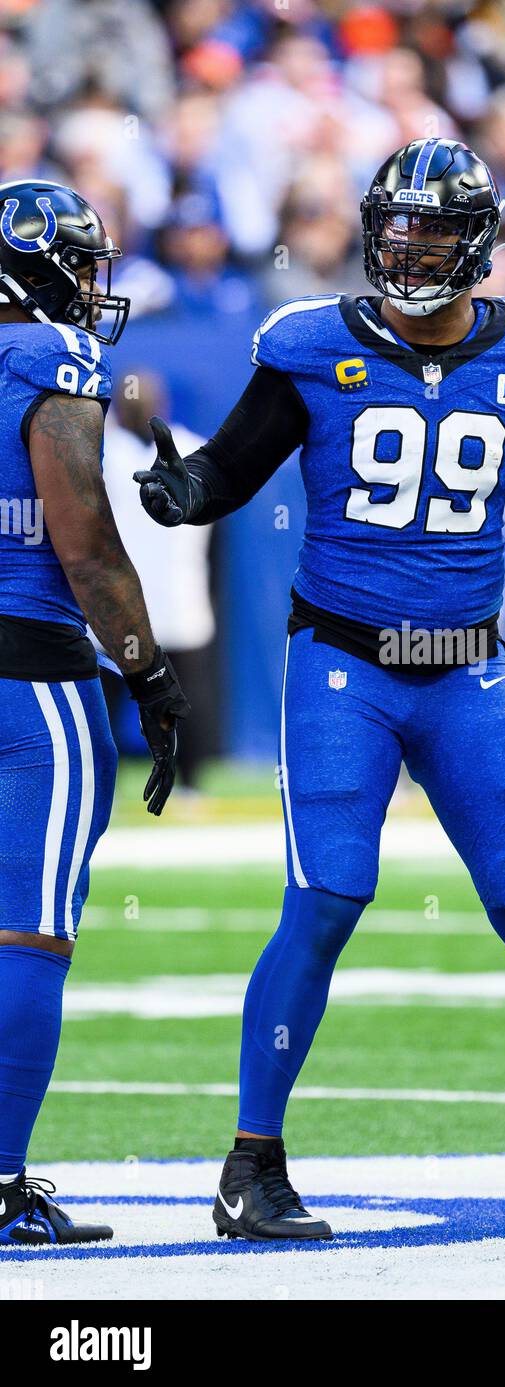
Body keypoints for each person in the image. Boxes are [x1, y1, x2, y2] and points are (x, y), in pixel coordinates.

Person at [136, 138, 505, 1240]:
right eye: (392, 226)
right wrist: (182, 491)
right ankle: (252, 1165)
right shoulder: (309, 345)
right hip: (342, 663)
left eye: (428, 228)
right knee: (325, 900)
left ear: (474, 240)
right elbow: (226, 472)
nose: (405, 244)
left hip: (468, 668)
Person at [0, 180, 189, 1244]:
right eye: (75, 263)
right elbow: (82, 541)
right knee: (28, 934)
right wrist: (149, 675)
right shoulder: (49, 358)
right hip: (28, 680)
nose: (85, 285)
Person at [102, 374, 217, 788]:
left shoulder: (109, 455)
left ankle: (189, 783)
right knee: (115, 697)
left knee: (185, 699)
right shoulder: (188, 448)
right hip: (141, 598)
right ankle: (189, 786)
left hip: (150, 599)